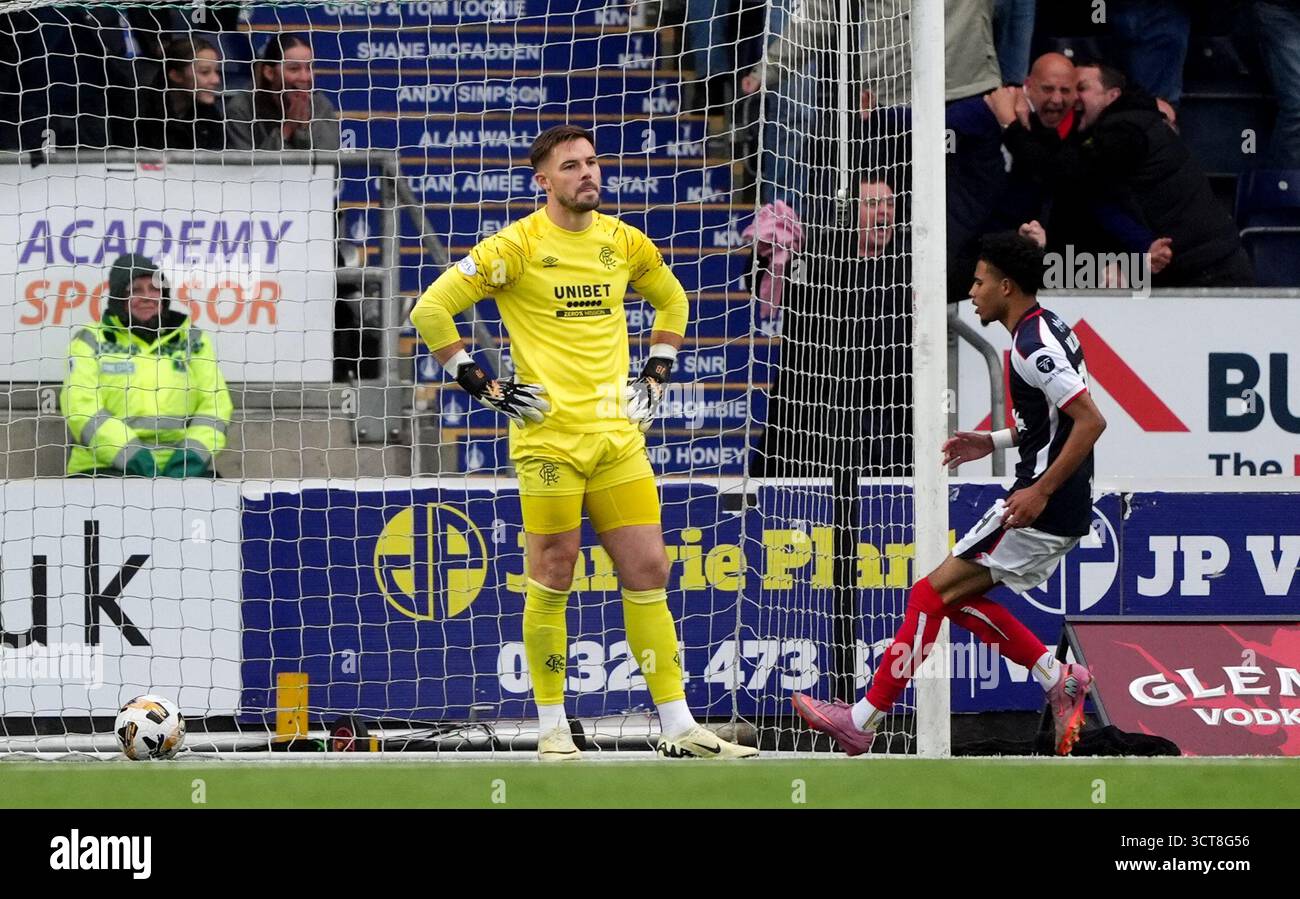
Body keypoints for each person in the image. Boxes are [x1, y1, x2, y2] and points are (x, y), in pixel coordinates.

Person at [409, 125, 757, 761]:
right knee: (553, 572)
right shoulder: (514, 246)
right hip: (549, 443)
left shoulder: (622, 241)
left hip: (617, 439)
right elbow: (430, 310)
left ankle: (678, 727)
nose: (587, 174)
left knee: (648, 569)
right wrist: (480, 382)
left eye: (592, 163)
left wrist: (656, 369)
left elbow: (672, 298)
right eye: (571, 167)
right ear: (543, 180)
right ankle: (550, 728)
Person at [792, 233, 1106, 756]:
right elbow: (1050, 421)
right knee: (952, 601)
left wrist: (1040, 492)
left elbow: (1091, 422)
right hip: (1055, 502)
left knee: (926, 595)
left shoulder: (1034, 345)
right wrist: (994, 440)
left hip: (1043, 506)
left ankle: (862, 721)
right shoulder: (1048, 328)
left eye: (980, 281)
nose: (973, 290)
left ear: (1006, 286)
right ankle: (1057, 676)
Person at [61, 254, 232, 478]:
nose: (147, 297)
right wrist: (131, 456)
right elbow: (81, 409)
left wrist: (190, 458)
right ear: (118, 296)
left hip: (180, 470)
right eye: (136, 289)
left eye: (154, 289)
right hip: (103, 470)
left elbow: (215, 407)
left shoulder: (192, 339)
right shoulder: (90, 340)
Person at [225, 33, 339, 152]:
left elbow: (328, 159)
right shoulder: (241, 109)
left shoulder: (320, 104)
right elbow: (248, 167)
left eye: (309, 68)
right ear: (270, 73)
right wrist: (287, 130)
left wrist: (303, 129)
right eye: (294, 69)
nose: (305, 77)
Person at [161, 36, 228, 151]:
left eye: (216, 71)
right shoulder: (140, 109)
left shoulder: (210, 114)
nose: (216, 80)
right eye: (205, 72)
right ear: (176, 76)